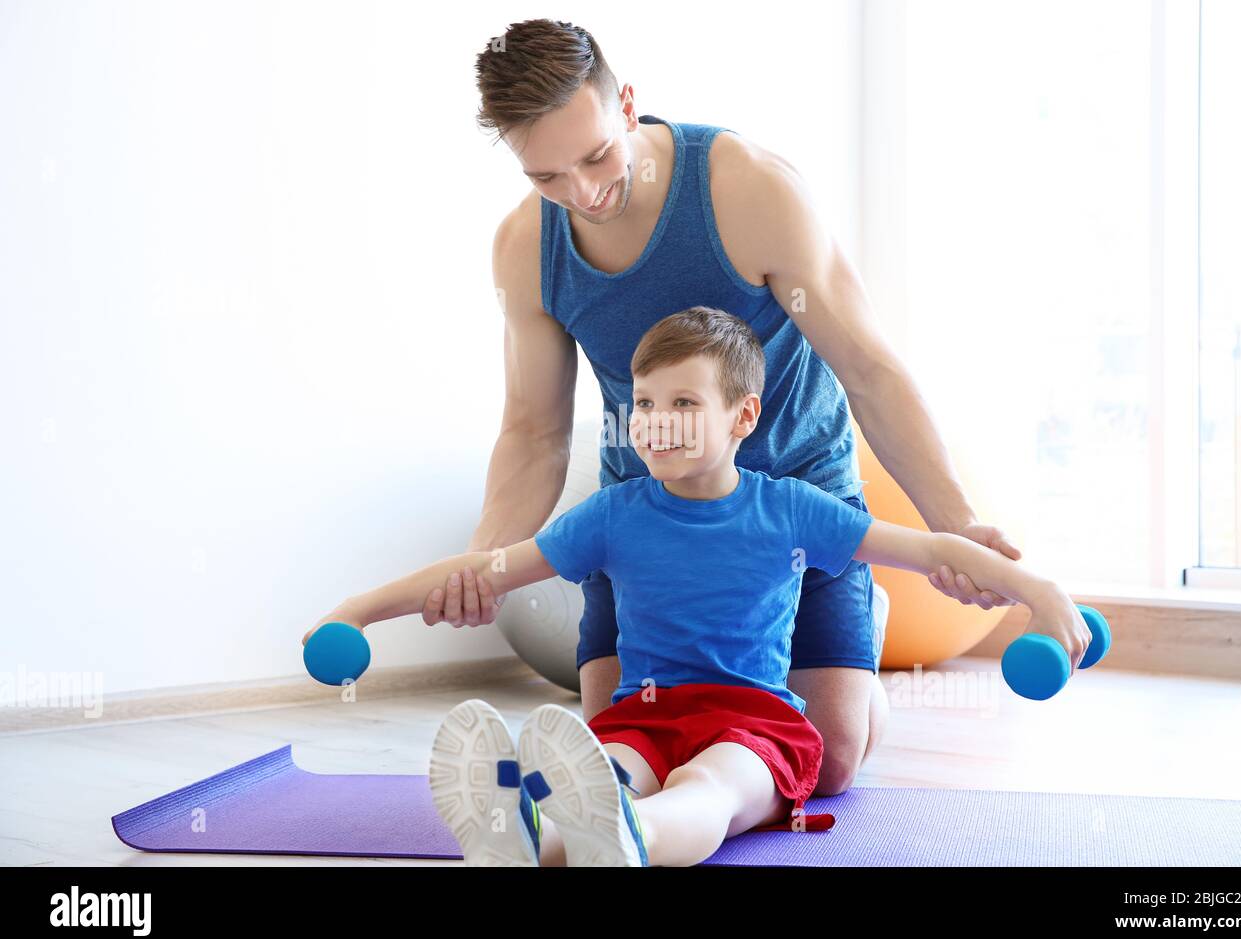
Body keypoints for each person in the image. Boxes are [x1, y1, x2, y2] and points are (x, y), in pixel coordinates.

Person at [417, 19, 1025, 796]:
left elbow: (868, 369)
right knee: (626, 748)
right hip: (650, 520)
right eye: (547, 177)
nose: (584, 193)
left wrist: (956, 529)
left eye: (597, 156)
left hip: (795, 506)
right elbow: (533, 432)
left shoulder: (747, 188)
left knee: (824, 764)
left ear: (627, 104)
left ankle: (855, 634)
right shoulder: (524, 248)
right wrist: (486, 563)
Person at [303, 308, 1093, 867]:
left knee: (711, 787)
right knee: (609, 769)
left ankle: (629, 843)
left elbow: (928, 550)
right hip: (645, 716)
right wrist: (359, 612)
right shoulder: (611, 515)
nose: (656, 422)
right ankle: (523, 839)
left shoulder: (789, 508)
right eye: (644, 404)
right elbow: (491, 571)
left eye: (684, 403)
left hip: (755, 725)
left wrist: (1042, 596)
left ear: (742, 416)